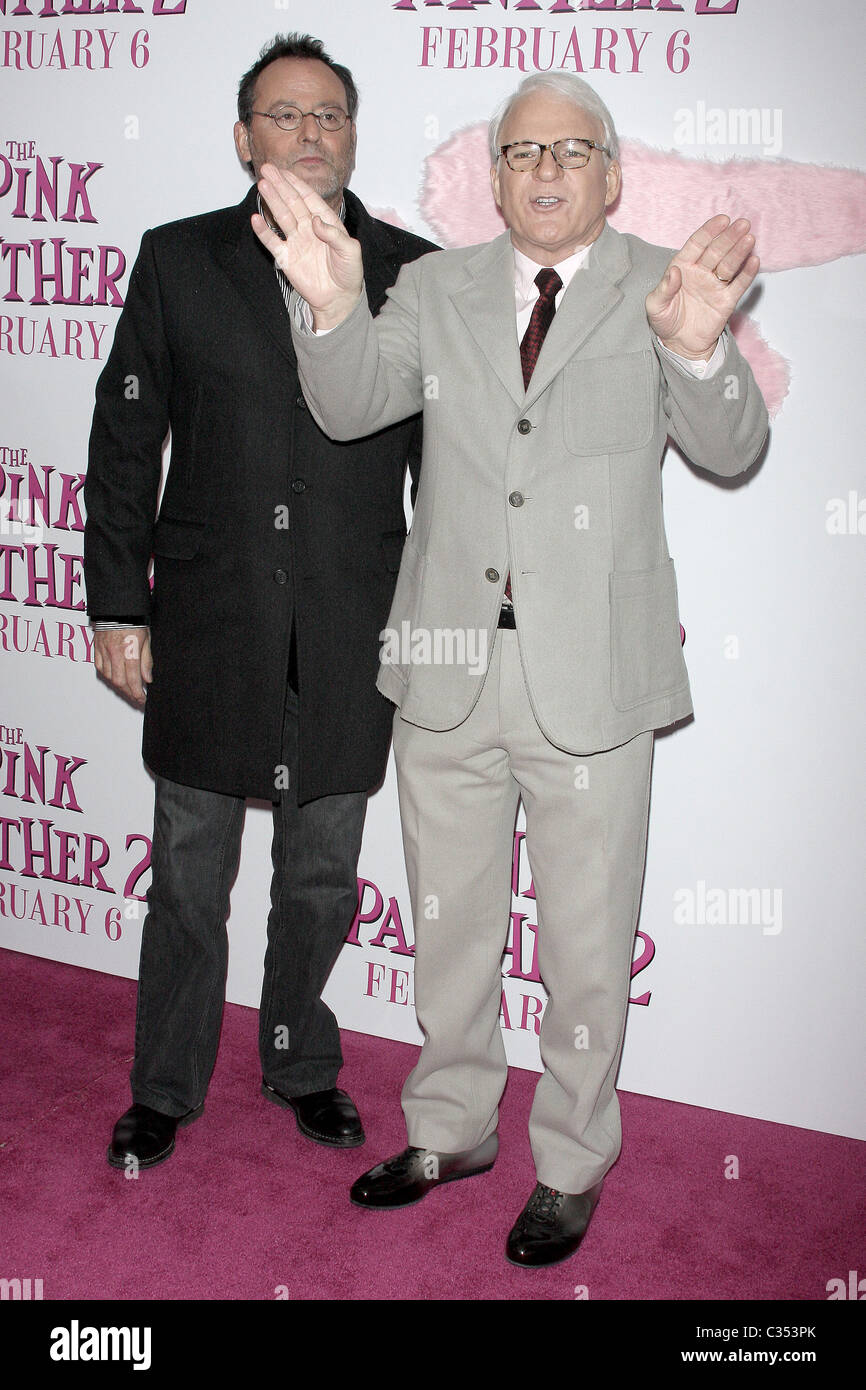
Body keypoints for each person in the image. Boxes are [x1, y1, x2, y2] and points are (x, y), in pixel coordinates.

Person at [252, 71, 769, 1267]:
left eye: (570, 150)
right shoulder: (432, 285)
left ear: (610, 173)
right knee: (450, 928)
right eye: (521, 150)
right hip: (444, 669)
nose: (544, 168)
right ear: (491, 178)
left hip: (592, 677)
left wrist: (695, 356)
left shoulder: (659, 286)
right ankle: (451, 1130)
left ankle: (573, 1162)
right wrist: (328, 311)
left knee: (587, 947)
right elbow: (351, 408)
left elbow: (732, 447)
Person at [83, 32, 436, 1171]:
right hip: (210, 621)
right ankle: (165, 1086)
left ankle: (298, 1061)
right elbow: (127, 440)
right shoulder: (177, 260)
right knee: (189, 873)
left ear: (351, 135)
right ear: (243, 140)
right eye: (282, 116)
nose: (307, 133)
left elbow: (452, 465)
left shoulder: (416, 275)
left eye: (327, 115)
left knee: (322, 875)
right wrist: (115, 606)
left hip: (349, 625)